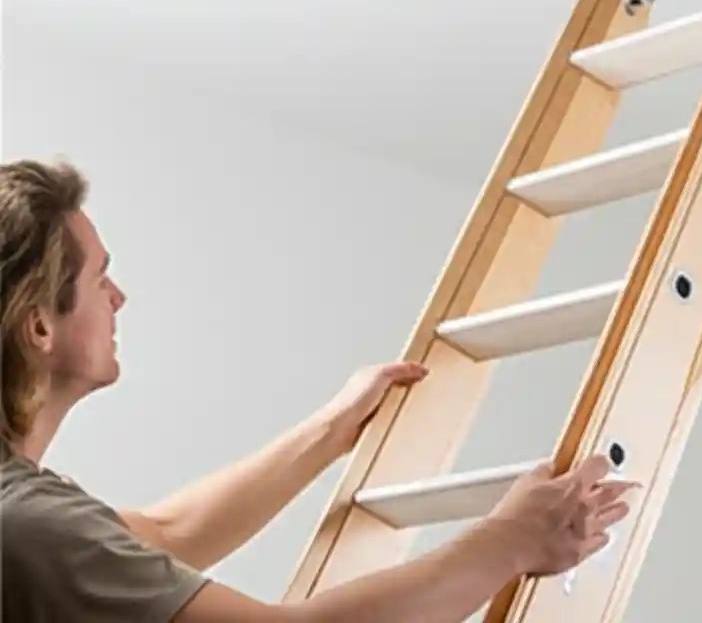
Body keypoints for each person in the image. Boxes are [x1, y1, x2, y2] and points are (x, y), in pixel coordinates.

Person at [0, 158, 637, 621]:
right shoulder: (28, 525)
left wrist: (330, 430)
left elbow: (169, 532)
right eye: (99, 281)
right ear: (39, 325)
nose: (120, 298)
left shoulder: (28, 508)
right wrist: (511, 540)